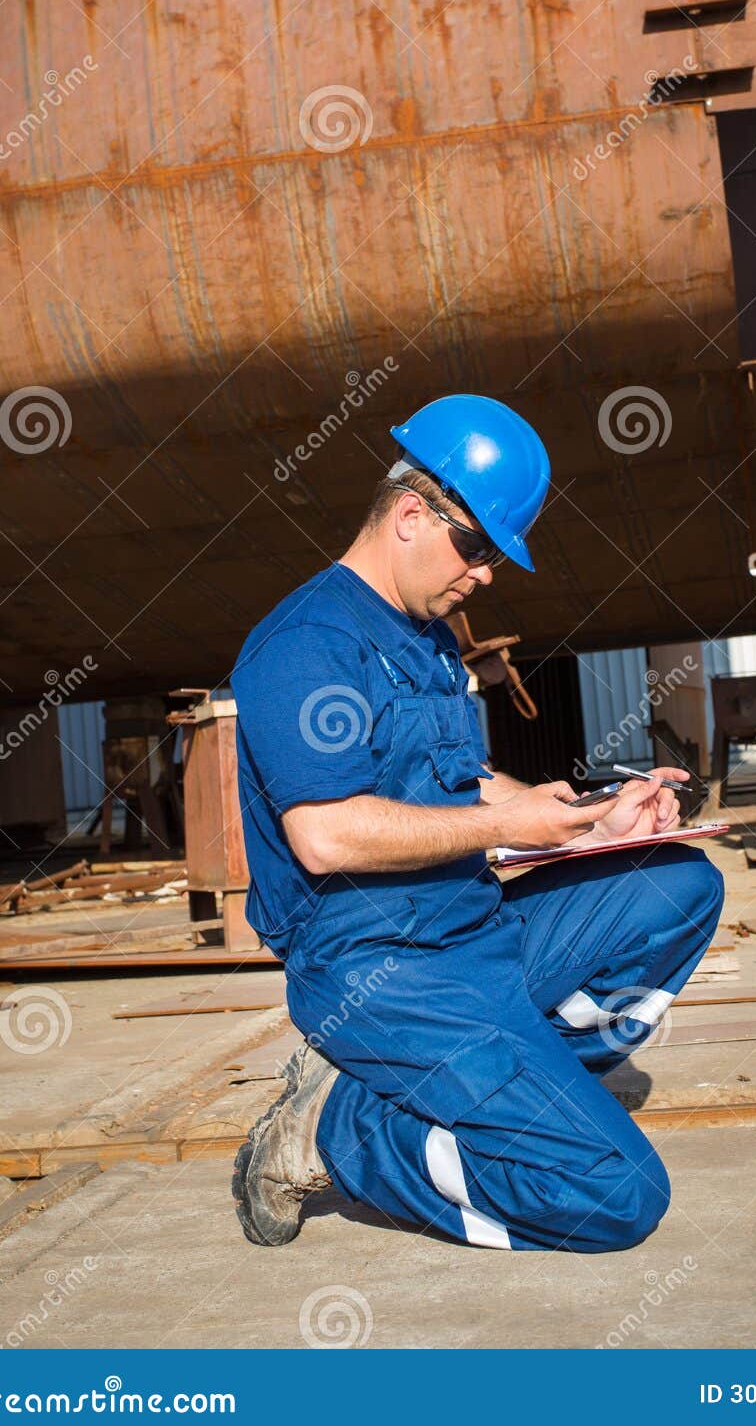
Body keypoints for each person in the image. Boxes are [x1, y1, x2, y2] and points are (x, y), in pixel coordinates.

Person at [230, 394, 723, 1253]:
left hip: (470, 928)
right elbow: (328, 834)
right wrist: (515, 828)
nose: (487, 573)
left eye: (497, 555)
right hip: (377, 968)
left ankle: (507, 1084)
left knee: (677, 884)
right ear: (413, 515)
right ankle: (337, 1129)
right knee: (616, 1196)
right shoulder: (307, 645)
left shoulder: (425, 637)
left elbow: (462, 782)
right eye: (480, 547)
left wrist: (587, 818)